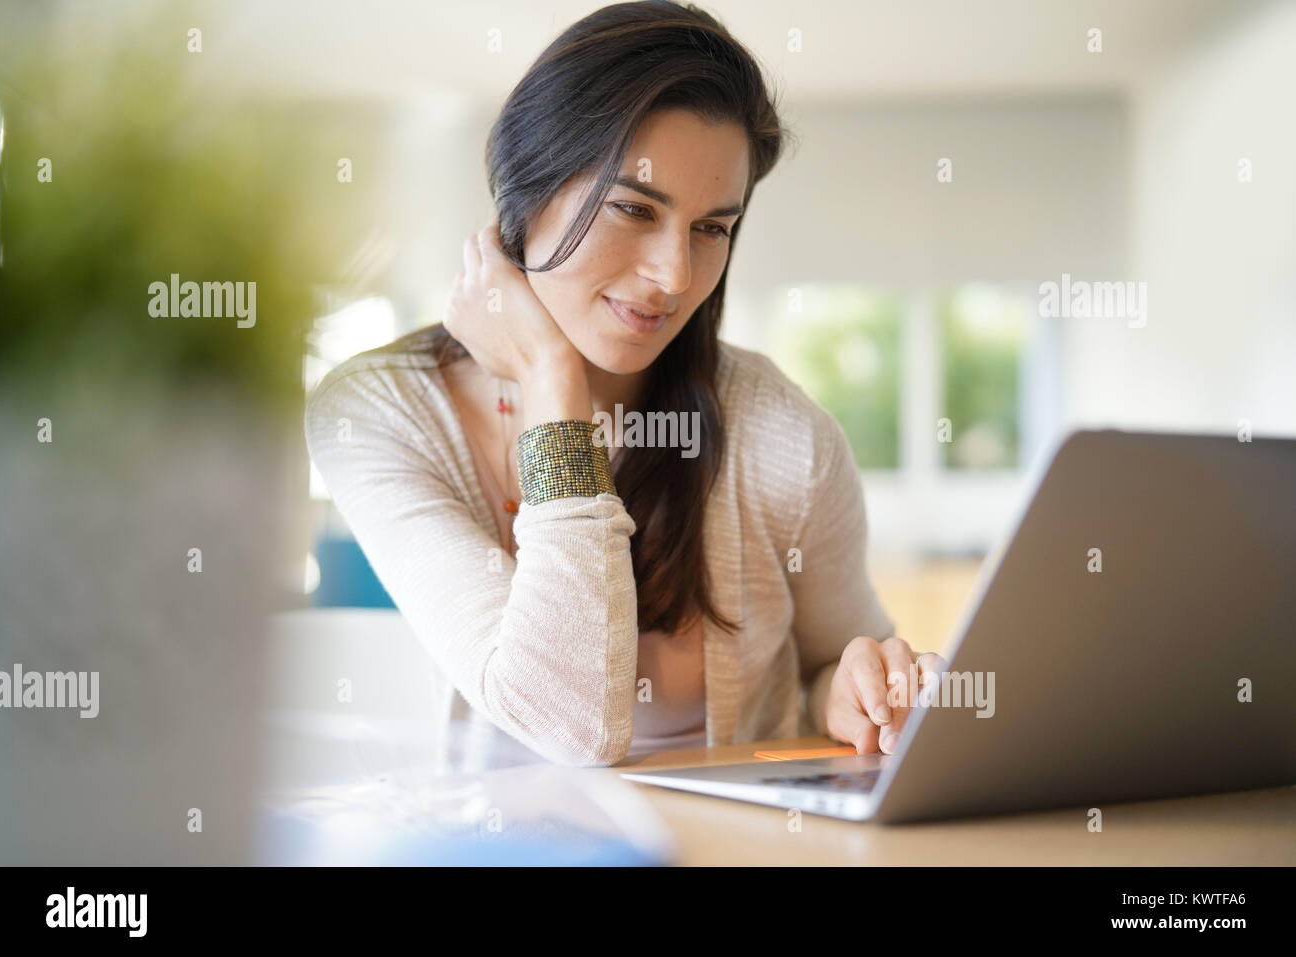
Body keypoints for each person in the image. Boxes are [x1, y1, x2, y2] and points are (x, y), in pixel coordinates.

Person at [304, 0, 945, 768]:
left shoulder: (786, 438)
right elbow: (572, 726)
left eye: (713, 228)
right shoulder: (378, 414)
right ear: (524, 190)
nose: (674, 276)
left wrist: (856, 689)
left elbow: (828, 667)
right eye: (634, 209)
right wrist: (551, 380)